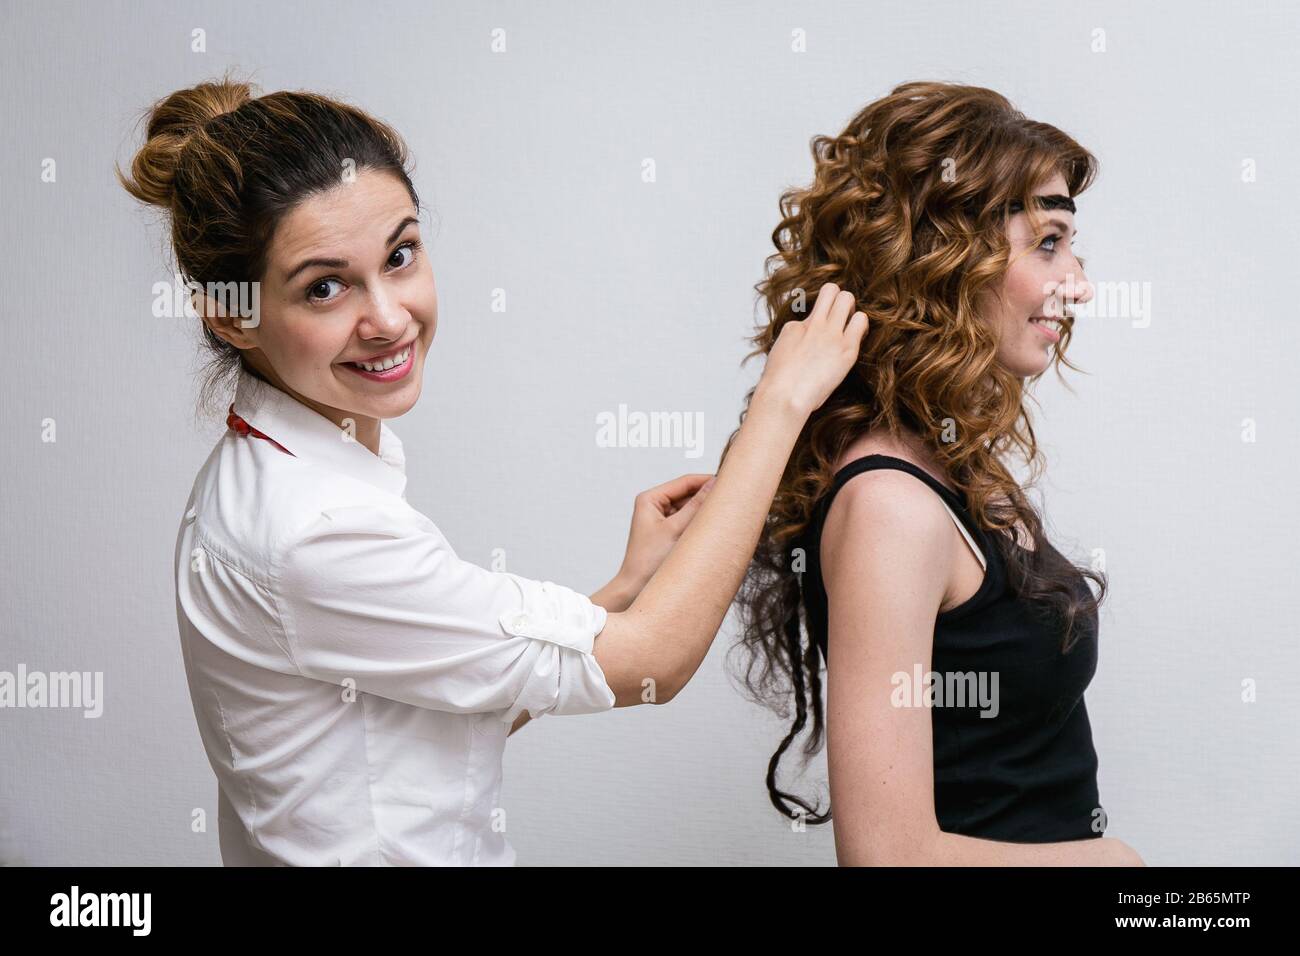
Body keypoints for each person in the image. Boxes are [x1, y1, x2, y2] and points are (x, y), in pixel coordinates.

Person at [117, 72, 869, 865]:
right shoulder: (314, 529)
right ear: (234, 316)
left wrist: (625, 588)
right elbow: (655, 662)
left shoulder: (265, 479)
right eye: (326, 287)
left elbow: (424, 716)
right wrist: (782, 401)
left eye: (400, 255)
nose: (388, 317)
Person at [723, 80, 1145, 865]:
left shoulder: (952, 469)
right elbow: (887, 858)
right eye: (1048, 242)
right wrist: (1117, 868)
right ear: (944, 260)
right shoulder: (892, 504)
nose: (1079, 284)